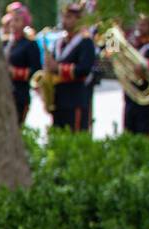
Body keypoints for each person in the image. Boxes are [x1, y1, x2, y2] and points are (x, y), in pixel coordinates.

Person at [47, 3, 97, 132]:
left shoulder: (86, 41)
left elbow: (84, 69)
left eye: (69, 17)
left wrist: (58, 69)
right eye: (64, 17)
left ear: (78, 19)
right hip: (58, 97)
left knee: (75, 133)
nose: (64, 21)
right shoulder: (59, 41)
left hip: (76, 98)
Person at [3, 2, 40, 126]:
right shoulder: (6, 43)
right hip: (4, 93)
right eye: (12, 20)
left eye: (17, 20)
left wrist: (15, 72)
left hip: (20, 94)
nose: (13, 24)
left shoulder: (30, 44)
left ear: (24, 22)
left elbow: (36, 70)